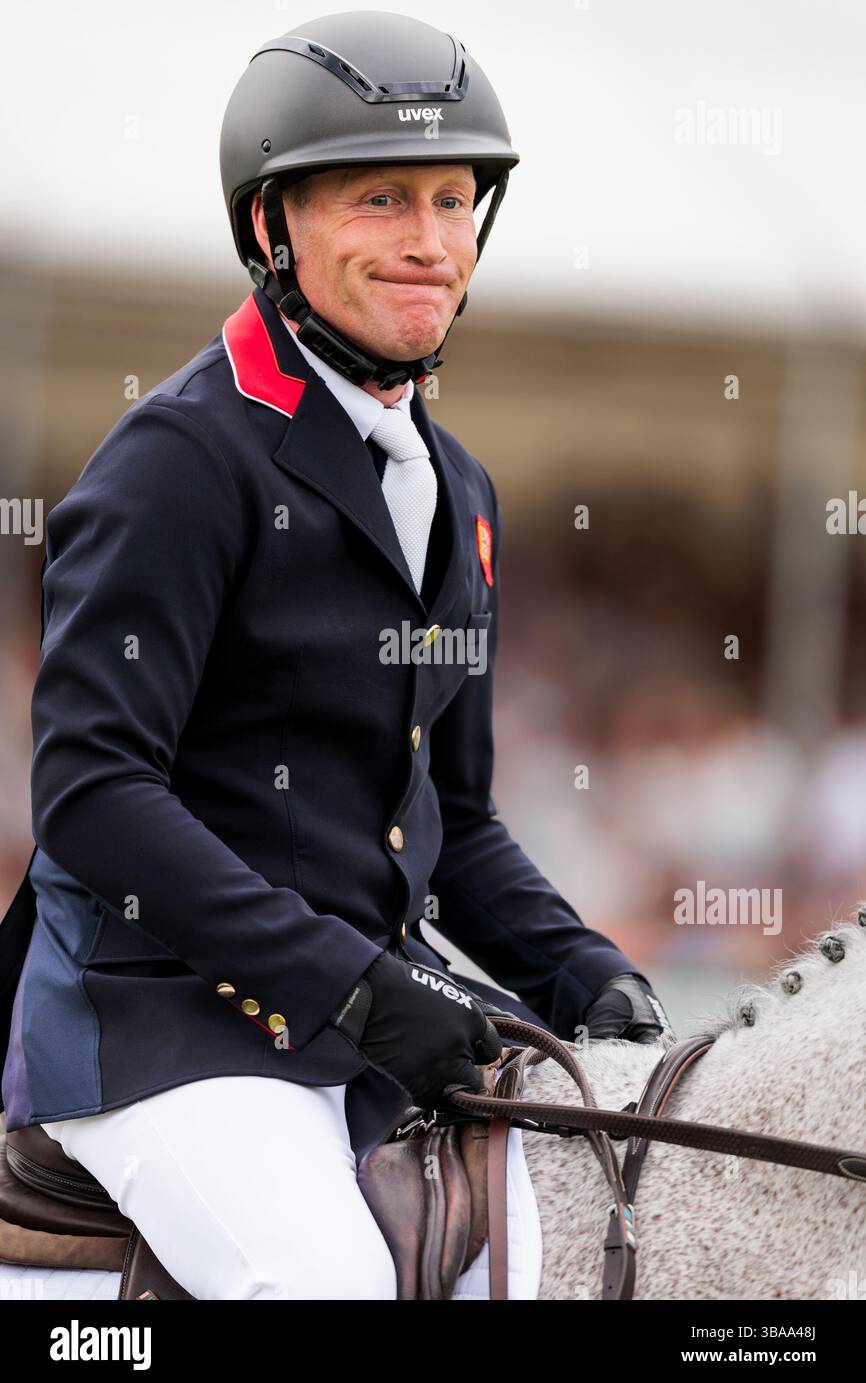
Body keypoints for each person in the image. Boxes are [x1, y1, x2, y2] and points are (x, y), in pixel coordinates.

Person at [0, 11, 671, 1299]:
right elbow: (92, 799)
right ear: (272, 227)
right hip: (162, 1032)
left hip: (361, 1031)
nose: (431, 241)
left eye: (455, 200)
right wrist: (354, 988)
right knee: (322, 1286)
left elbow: (453, 820)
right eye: (381, 199)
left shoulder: (459, 487)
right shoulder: (177, 466)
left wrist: (589, 972)